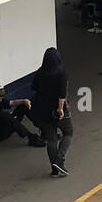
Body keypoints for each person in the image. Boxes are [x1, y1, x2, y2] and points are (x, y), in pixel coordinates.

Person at [31, 48, 73, 177]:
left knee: (52, 138)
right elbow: (62, 94)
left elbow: (34, 87)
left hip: (41, 110)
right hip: (56, 110)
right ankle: (59, 160)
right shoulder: (61, 73)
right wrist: (60, 109)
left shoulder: (40, 72)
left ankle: (55, 169)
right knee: (68, 132)